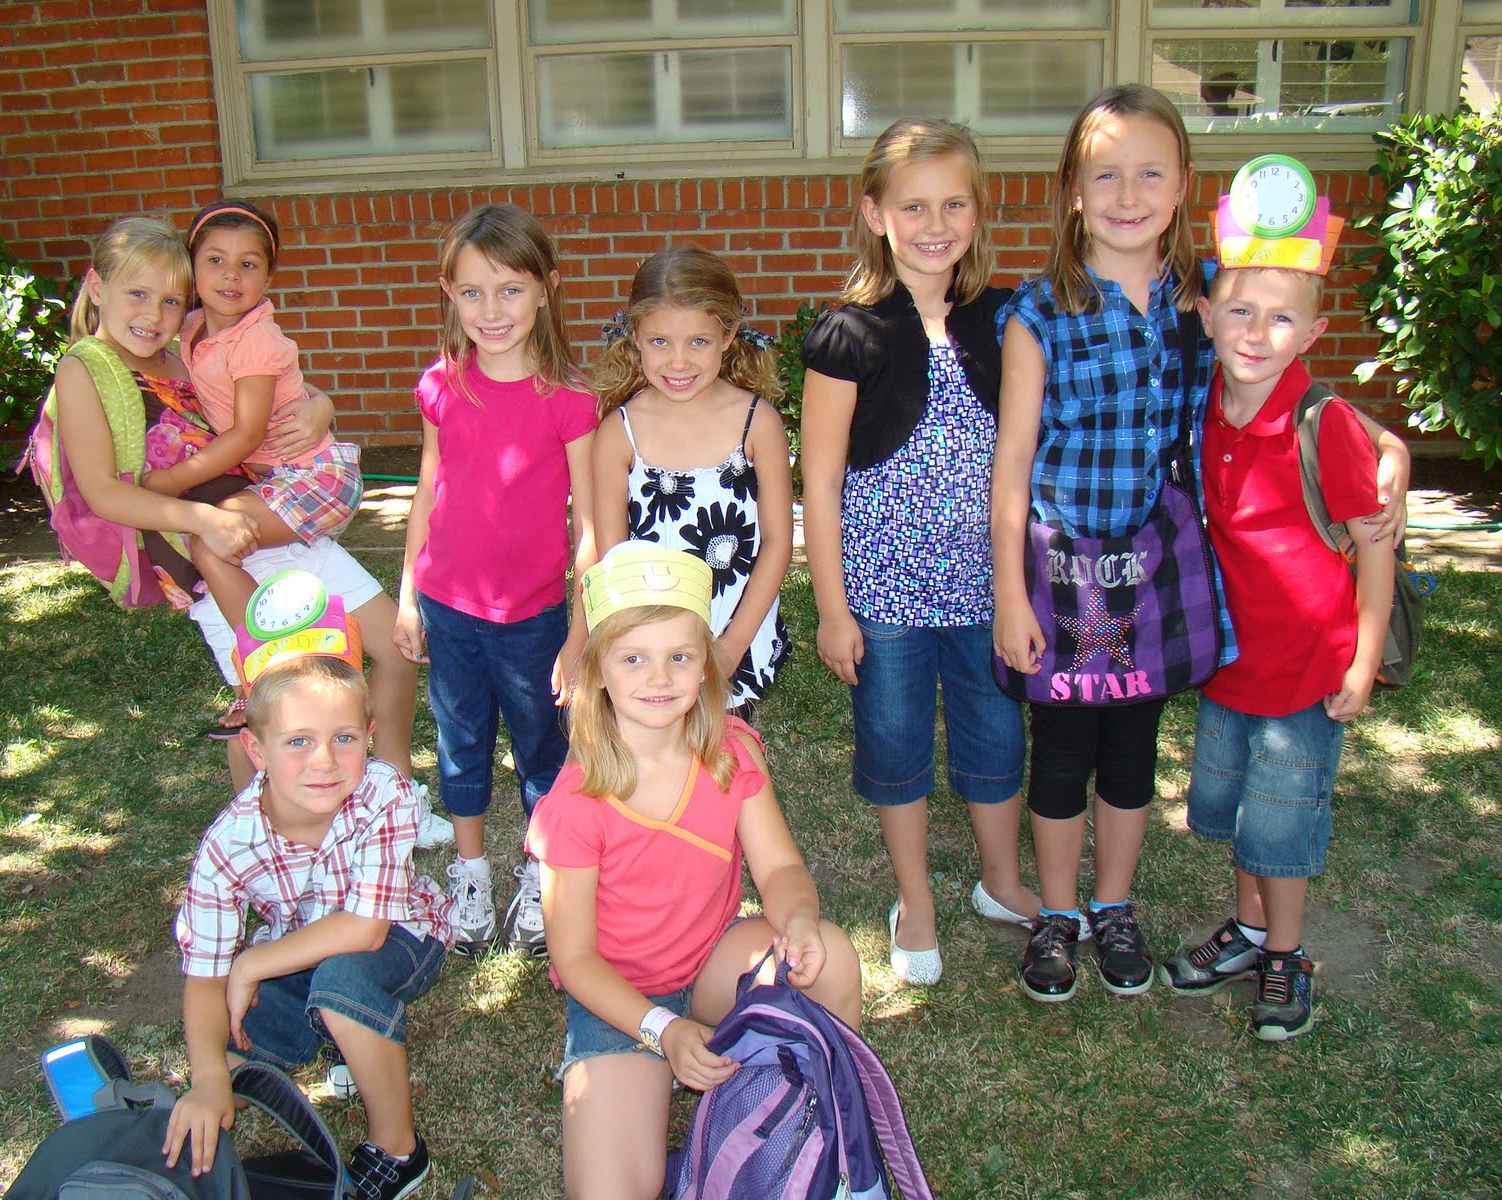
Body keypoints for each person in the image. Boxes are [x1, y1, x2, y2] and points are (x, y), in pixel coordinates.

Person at [990, 85, 1408, 1004]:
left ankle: (1113, 905)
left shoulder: (1208, 298)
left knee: (1132, 747)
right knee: (1062, 748)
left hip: (1152, 568)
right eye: (1105, 174)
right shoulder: (1037, 312)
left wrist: (1392, 450)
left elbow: (1287, 374)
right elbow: (1013, 460)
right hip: (1058, 570)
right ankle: (1058, 914)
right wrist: (1009, 596)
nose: (1128, 194)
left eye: (1151, 173)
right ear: (1072, 189)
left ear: (1184, 186)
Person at [51, 217, 443, 843]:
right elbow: (103, 491)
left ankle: (395, 798)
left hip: (275, 520)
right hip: (220, 551)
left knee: (395, 651)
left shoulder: (182, 344)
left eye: (170, 299)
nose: (154, 313)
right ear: (96, 287)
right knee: (274, 699)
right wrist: (200, 519)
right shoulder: (87, 370)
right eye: (138, 295)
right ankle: (271, 849)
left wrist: (321, 405)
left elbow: (268, 392)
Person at [526, 542, 862, 1200]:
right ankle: (684, 1080)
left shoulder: (730, 752)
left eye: (680, 656)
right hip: (618, 1001)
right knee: (612, 1191)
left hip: (710, 962)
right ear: (597, 671)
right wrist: (664, 1029)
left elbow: (782, 867)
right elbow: (575, 959)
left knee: (831, 957)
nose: (660, 677)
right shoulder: (574, 804)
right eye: (633, 658)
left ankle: (826, 1128)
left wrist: (796, 919)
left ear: (705, 665)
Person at [1158, 162, 1393, 1041]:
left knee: (1283, 821)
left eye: (1282, 316)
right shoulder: (1208, 402)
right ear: (1210, 315)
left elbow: (1375, 543)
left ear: (1314, 330)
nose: (1257, 332)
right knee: (1232, 810)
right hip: (1231, 663)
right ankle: (1251, 927)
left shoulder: (1321, 424)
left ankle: (1287, 954)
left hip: (1305, 672)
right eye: (1241, 311)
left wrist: (1364, 659)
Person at [799, 117, 1032, 987]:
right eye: (913, 206)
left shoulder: (1005, 319)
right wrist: (832, 608)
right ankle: (916, 897)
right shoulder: (848, 334)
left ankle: (1001, 879)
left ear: (977, 212)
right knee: (896, 743)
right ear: (875, 212)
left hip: (985, 587)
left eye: (954, 205)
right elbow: (818, 482)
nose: (935, 224)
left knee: (995, 734)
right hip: (884, 594)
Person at [166, 587, 452, 1200]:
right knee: (226, 1044)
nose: (325, 761)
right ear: (254, 747)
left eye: (344, 738)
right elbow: (204, 974)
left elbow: (365, 930)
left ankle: (400, 1152)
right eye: (297, 741)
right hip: (298, 948)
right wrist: (208, 1073)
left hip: (402, 935)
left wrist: (252, 961)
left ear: (370, 734)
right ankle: (320, 1044)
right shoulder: (226, 845)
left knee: (343, 986)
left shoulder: (384, 795)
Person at [395, 203, 598, 958]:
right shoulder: (441, 387)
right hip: (449, 610)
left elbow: (590, 530)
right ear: (449, 293)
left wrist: (579, 633)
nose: (491, 310)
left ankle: (543, 875)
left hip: (536, 620)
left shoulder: (570, 399)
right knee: (461, 744)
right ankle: (472, 871)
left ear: (546, 289)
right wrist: (410, 593)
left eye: (509, 290)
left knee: (543, 752)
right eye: (472, 292)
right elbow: (428, 490)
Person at [135, 200, 365, 640]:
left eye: (248, 264)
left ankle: (264, 658)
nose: (230, 275)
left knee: (212, 542)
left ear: (268, 278)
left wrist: (172, 480)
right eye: (216, 260)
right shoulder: (192, 326)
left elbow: (247, 433)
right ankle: (276, 646)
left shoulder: (255, 340)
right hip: (280, 478)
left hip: (315, 477)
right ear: (192, 266)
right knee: (221, 541)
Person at [590, 246, 793, 717]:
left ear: (728, 335)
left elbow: (778, 542)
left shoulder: (756, 423)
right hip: (650, 646)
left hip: (733, 631)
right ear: (635, 336)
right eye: (660, 341)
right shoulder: (619, 432)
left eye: (698, 342)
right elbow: (611, 559)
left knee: (725, 760)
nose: (678, 362)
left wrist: (730, 647)